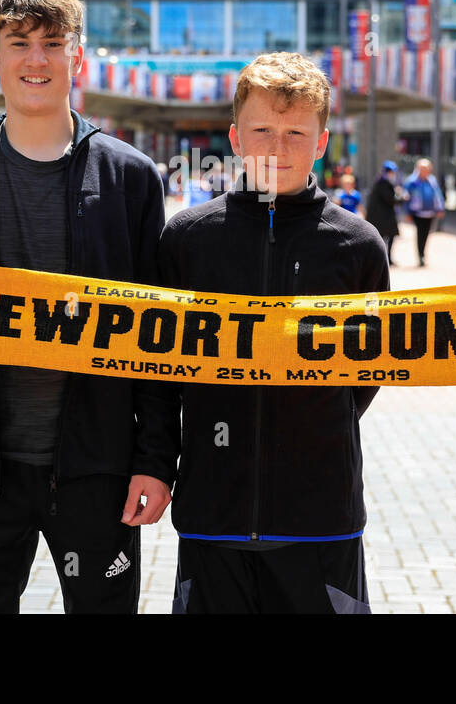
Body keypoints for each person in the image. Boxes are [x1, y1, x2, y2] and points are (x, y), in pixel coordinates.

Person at [0, 0, 177, 614]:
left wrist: (156, 458)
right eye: (20, 42)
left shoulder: (130, 177)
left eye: (53, 43)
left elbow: (159, 332)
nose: (37, 59)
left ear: (77, 56)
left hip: (99, 467)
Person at [158, 51, 390, 614]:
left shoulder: (357, 244)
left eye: (294, 133)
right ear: (235, 138)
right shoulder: (188, 237)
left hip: (321, 512)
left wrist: (306, 418)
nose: (276, 147)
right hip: (214, 508)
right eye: (262, 130)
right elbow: (158, 367)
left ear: (320, 142)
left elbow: (371, 368)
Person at [403, 158, 444, 266]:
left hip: (430, 213)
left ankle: (422, 253)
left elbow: (438, 195)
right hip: (417, 213)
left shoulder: (432, 181)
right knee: (420, 233)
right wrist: (407, 213)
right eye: (422, 169)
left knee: (426, 234)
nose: (425, 171)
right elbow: (406, 197)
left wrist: (440, 208)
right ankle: (420, 255)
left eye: (427, 169)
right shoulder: (412, 181)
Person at [365, 160, 403, 265]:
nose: (392, 174)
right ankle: (383, 259)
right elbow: (391, 199)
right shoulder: (382, 183)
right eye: (390, 172)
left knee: (388, 238)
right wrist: (400, 196)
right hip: (381, 218)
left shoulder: (384, 183)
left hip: (385, 217)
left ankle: (387, 258)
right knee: (381, 239)